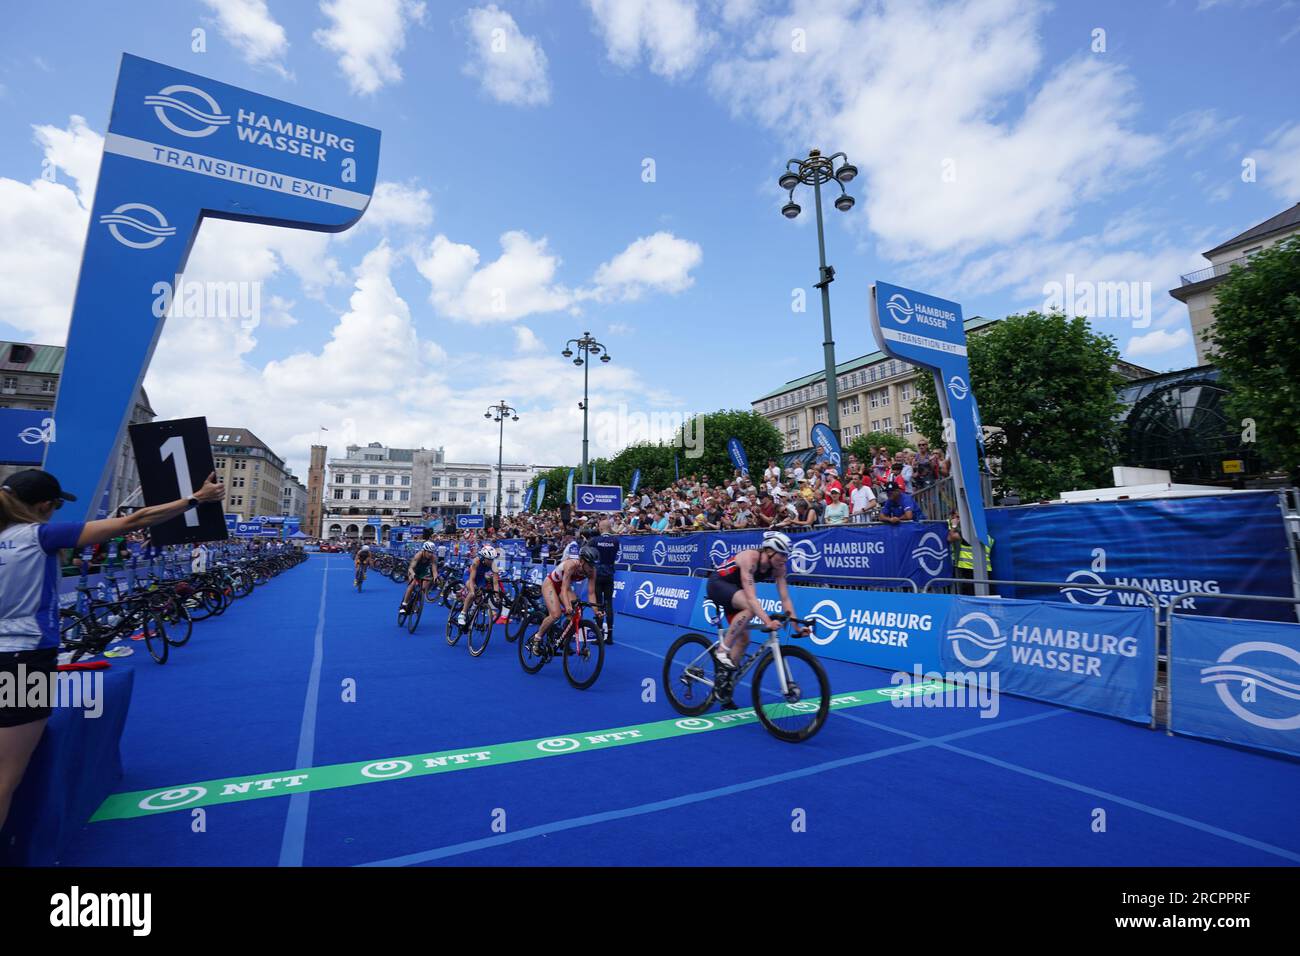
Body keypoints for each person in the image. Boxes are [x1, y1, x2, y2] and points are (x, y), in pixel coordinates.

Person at [0, 467, 224, 830]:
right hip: (23, 660)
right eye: (56, 505)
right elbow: (132, 521)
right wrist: (196, 498)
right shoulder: (40, 535)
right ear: (44, 506)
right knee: (5, 778)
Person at [705, 531, 806, 705]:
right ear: (769, 551)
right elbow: (751, 598)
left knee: (744, 640)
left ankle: (724, 685)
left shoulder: (779, 568)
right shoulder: (750, 558)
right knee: (750, 608)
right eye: (782, 554)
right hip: (718, 584)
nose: (785, 559)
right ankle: (721, 651)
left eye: (787, 556)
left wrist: (796, 625)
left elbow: (785, 598)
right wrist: (767, 621)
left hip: (737, 592)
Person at [530, 545, 598, 654]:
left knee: (577, 613)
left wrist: (596, 611)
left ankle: (562, 639)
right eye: (589, 564)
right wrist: (567, 606)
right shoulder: (571, 565)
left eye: (593, 565)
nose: (591, 568)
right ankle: (537, 639)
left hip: (565, 588)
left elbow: (591, 593)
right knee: (556, 614)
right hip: (551, 584)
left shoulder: (592, 571)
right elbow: (564, 589)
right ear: (581, 561)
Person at [590, 517, 619, 645]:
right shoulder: (615, 541)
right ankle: (610, 636)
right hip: (609, 574)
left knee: (598, 604)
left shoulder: (595, 540)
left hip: (597, 574)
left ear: (601, 528)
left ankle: (600, 634)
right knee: (609, 604)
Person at [457, 545, 500, 627]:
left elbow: (495, 583)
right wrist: (472, 591)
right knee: (472, 593)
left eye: (492, 559)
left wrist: (497, 596)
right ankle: (462, 614)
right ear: (483, 557)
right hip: (469, 575)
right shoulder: (476, 561)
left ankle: (472, 610)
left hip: (480, 578)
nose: (491, 561)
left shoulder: (493, 565)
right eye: (489, 559)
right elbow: (472, 579)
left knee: (480, 595)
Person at [400, 529, 440, 613]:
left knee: (424, 587)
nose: (430, 554)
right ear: (424, 551)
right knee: (413, 584)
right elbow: (410, 568)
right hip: (414, 569)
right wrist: (413, 574)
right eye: (428, 552)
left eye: (432, 552)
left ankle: (415, 602)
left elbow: (434, 570)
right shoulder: (418, 555)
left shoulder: (433, 557)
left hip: (423, 570)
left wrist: (436, 577)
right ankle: (404, 604)